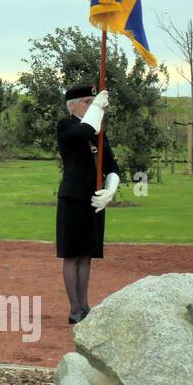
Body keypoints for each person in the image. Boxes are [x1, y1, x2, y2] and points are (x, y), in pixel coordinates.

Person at [56, 84, 120, 324]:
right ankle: (74, 309)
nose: (94, 104)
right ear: (72, 105)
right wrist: (96, 108)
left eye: (94, 101)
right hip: (73, 199)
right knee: (72, 255)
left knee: (86, 255)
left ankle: (85, 305)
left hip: (94, 200)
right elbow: (82, 132)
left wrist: (110, 191)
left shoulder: (97, 132)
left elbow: (112, 166)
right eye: (87, 101)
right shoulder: (66, 126)